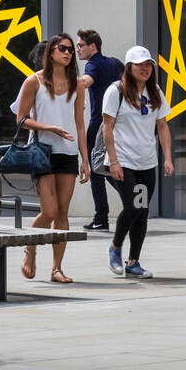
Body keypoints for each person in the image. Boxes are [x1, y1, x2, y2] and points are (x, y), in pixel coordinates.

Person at [13, 33, 89, 283]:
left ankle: (57, 268)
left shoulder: (77, 84)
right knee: (49, 210)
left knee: (63, 212)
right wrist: (47, 127)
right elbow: (21, 119)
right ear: (51, 52)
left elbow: (79, 124)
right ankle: (31, 247)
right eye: (63, 48)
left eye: (70, 49)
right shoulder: (33, 82)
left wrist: (85, 159)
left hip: (67, 153)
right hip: (42, 151)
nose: (68, 53)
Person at [101, 45, 174, 278]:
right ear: (129, 67)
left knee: (142, 210)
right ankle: (115, 247)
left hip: (146, 163)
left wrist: (168, 158)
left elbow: (162, 126)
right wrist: (113, 161)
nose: (145, 69)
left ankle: (133, 262)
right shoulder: (116, 92)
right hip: (123, 161)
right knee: (132, 206)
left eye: (148, 64)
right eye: (140, 64)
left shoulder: (155, 92)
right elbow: (107, 127)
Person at [76, 29, 124, 231]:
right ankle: (133, 199)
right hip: (118, 124)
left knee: (97, 170)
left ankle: (101, 219)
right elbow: (128, 81)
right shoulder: (114, 62)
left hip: (98, 126)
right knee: (109, 165)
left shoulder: (92, 65)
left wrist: (62, 82)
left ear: (92, 47)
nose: (77, 50)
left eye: (80, 45)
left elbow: (86, 81)